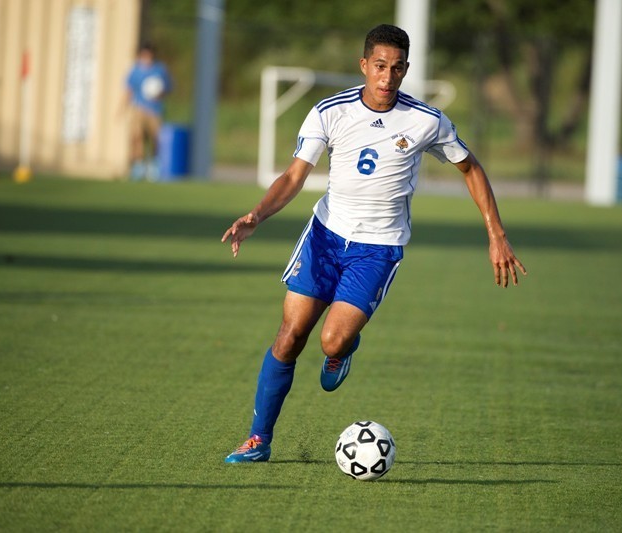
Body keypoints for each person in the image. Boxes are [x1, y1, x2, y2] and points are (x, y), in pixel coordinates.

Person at [221, 24, 526, 463]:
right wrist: (257, 214)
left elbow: (471, 168)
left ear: (406, 70)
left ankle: (343, 350)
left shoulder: (426, 120)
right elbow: (293, 176)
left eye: (397, 68)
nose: (387, 77)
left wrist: (496, 233)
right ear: (364, 65)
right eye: (380, 66)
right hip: (325, 237)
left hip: (377, 249)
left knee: (330, 341)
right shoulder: (330, 111)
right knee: (289, 337)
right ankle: (258, 439)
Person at [122, 42, 172, 180]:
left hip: (155, 111)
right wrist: (122, 109)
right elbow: (129, 90)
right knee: (137, 137)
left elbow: (168, 88)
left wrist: (160, 93)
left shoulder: (160, 69)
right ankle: (138, 167)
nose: (146, 57)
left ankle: (154, 167)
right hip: (139, 109)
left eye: (149, 55)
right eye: (144, 55)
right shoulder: (135, 70)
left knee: (156, 139)